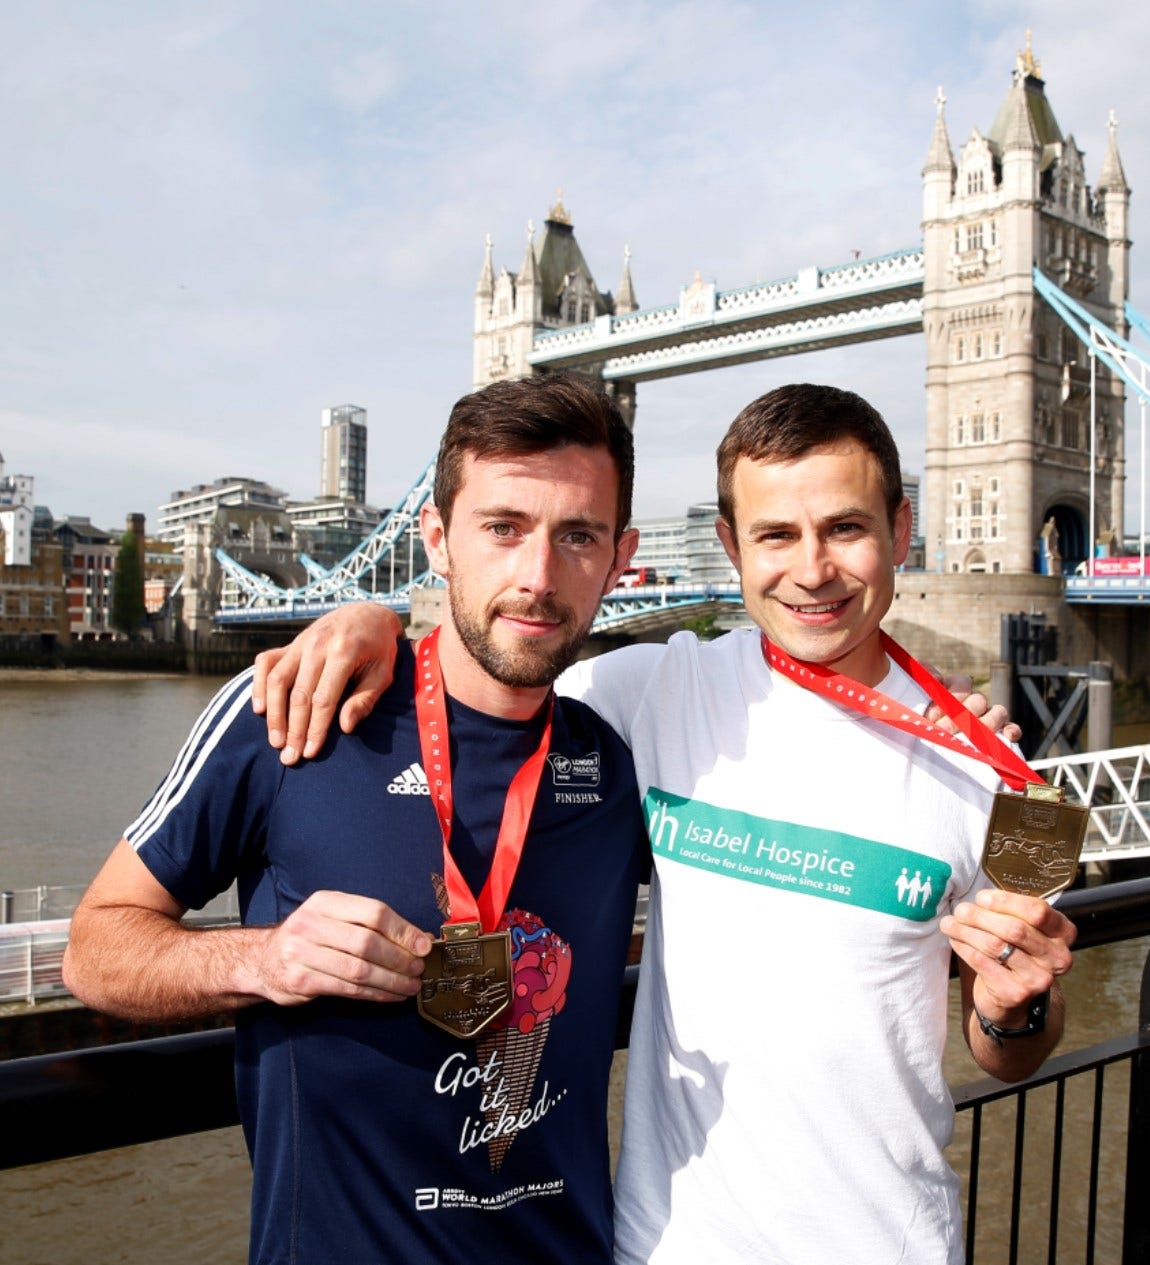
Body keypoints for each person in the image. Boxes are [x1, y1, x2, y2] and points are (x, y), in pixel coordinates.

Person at [259, 383, 1078, 1264]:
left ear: (900, 531)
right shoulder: (650, 694)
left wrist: (1015, 1010)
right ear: (731, 546)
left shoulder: (984, 765)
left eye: (845, 528)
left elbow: (1007, 1051)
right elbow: (485, 672)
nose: (812, 569)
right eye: (775, 535)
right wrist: (371, 620)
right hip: (666, 1245)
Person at [63, 373, 651, 1264]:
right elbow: (93, 949)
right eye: (502, 528)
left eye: (577, 536)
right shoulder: (288, 715)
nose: (537, 576)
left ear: (620, 556)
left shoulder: (621, 764)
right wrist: (263, 957)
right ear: (436, 539)